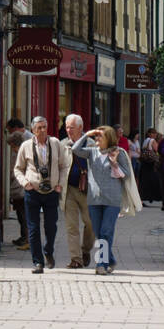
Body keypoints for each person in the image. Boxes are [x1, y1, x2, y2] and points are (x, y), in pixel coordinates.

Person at [70, 125, 132, 275]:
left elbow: (126, 175)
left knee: (106, 232)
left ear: (109, 138)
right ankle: (111, 260)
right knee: (99, 233)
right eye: (96, 136)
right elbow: (75, 150)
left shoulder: (119, 153)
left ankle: (101, 264)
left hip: (112, 200)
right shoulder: (92, 152)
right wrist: (87, 135)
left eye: (100, 136)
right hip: (94, 199)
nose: (97, 139)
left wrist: (114, 162)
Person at [13, 115, 64, 274]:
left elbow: (63, 166)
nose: (42, 130)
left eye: (44, 127)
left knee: (51, 227)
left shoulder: (55, 144)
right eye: (39, 128)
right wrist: (25, 183)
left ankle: (48, 251)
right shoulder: (26, 146)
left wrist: (60, 185)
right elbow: (18, 169)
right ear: (33, 130)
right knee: (33, 228)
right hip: (33, 192)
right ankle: (38, 262)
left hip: (51, 192)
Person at [59, 113, 95, 269]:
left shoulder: (92, 144)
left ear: (81, 127)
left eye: (72, 127)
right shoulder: (62, 144)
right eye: (67, 127)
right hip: (69, 190)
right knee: (71, 226)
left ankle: (85, 250)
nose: (68, 130)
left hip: (87, 191)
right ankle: (76, 259)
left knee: (90, 223)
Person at [5, 117, 32, 248]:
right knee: (22, 214)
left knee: (24, 214)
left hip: (22, 188)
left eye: (12, 147)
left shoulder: (26, 147)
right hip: (19, 189)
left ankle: (28, 239)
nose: (12, 150)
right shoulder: (20, 150)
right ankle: (25, 237)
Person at [139, 129, 161, 205]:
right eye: (154, 133)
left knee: (145, 181)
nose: (155, 135)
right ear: (150, 134)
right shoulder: (152, 141)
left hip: (145, 163)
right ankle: (153, 196)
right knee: (154, 180)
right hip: (151, 163)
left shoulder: (145, 140)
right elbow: (158, 150)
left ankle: (144, 196)